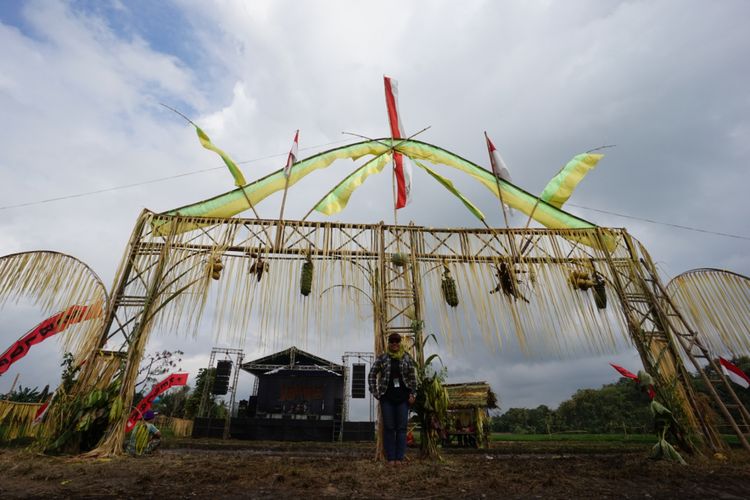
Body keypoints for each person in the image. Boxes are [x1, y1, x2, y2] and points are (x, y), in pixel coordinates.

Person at [368, 332, 418, 465]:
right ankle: (391, 458)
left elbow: (413, 378)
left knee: (401, 428)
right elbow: (372, 374)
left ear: (400, 343)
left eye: (397, 341)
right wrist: (375, 392)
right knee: (389, 428)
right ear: (389, 343)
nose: (394, 343)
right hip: (387, 399)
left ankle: (399, 458)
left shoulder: (407, 358)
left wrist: (413, 394)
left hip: (403, 399)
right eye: (392, 341)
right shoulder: (382, 358)